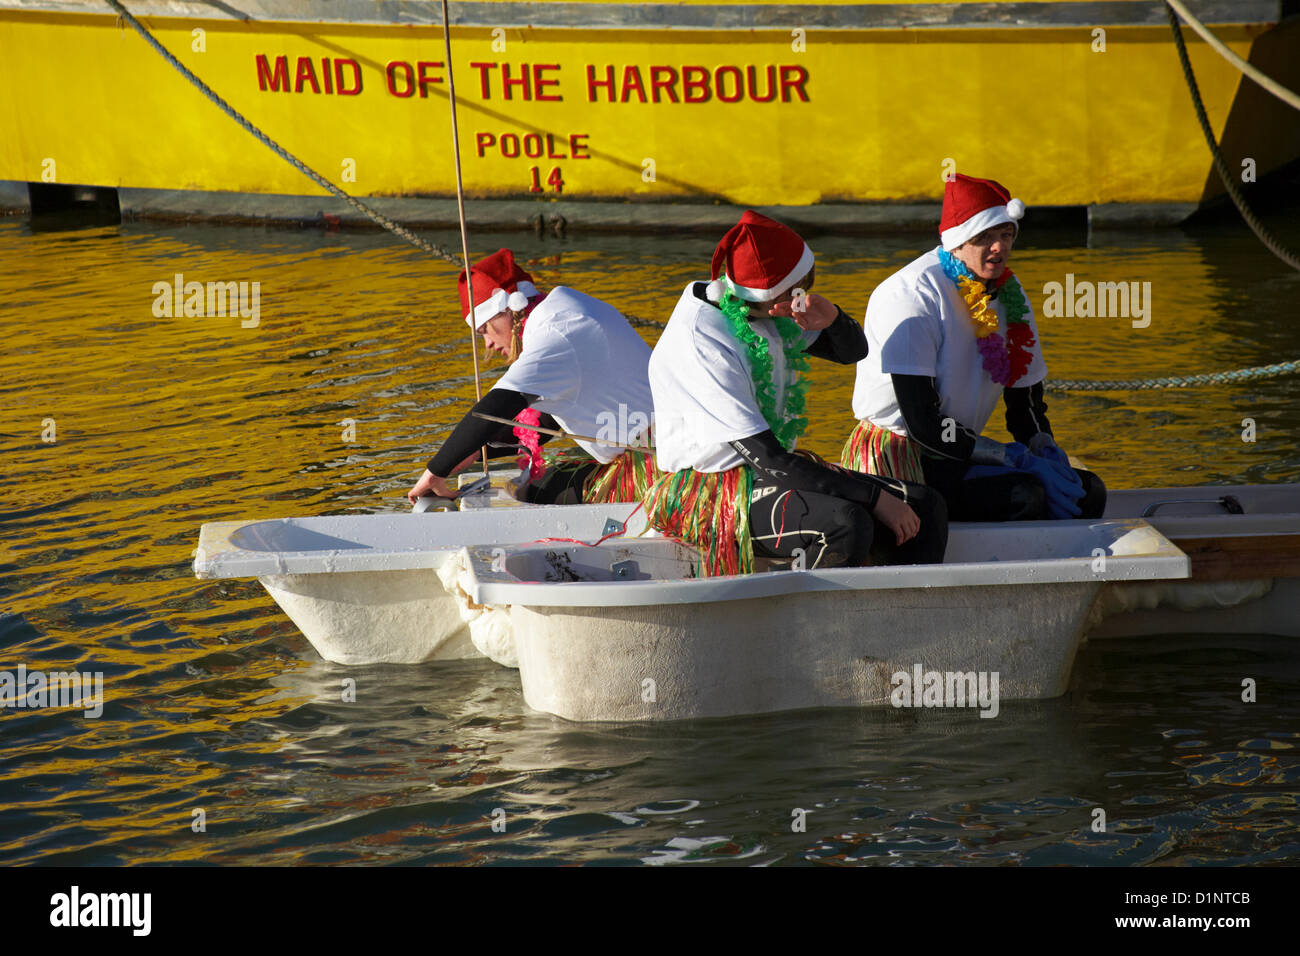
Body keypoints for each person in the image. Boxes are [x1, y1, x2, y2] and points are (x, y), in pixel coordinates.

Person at [645, 210, 948, 576]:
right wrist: (874, 498)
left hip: (769, 470)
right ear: (772, 294)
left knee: (925, 505)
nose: (804, 296)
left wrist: (833, 319)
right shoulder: (704, 343)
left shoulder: (760, 306)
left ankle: (899, 618)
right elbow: (770, 459)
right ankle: (817, 629)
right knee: (847, 523)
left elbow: (851, 351)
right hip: (715, 487)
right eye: (799, 289)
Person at [842, 173, 1105, 522]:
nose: (999, 247)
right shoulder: (912, 294)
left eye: (1006, 235)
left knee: (1090, 491)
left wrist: (1042, 448)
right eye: (985, 237)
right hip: (902, 458)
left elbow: (1024, 403)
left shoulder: (1009, 293)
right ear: (958, 242)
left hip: (958, 452)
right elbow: (921, 421)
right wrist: (1007, 457)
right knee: (1027, 495)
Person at [407, 248, 658, 506]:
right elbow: (546, 423)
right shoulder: (563, 306)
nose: (488, 344)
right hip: (650, 451)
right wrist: (474, 450)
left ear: (509, 311)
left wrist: (435, 471)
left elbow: (496, 406)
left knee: (543, 491)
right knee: (545, 484)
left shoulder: (555, 332)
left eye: (484, 330)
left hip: (657, 470)